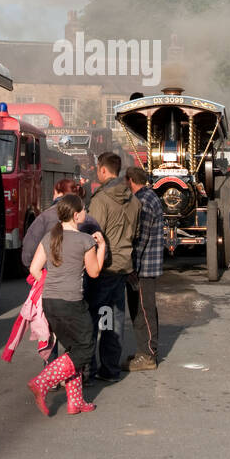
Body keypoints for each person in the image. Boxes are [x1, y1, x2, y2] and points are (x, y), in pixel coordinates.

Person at [27, 195, 106, 415]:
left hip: (50, 302)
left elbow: (34, 270)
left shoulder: (49, 237)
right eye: (84, 210)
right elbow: (94, 272)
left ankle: (75, 402)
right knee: (85, 349)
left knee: (73, 350)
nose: (86, 213)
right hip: (72, 302)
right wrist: (102, 247)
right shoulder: (85, 240)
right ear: (75, 214)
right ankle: (42, 382)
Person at [85, 152, 138, 383]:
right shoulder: (134, 200)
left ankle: (88, 369)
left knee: (91, 319)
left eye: (98, 169)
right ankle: (110, 369)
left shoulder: (101, 199)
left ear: (103, 169)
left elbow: (93, 235)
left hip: (103, 267)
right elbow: (134, 234)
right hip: (123, 266)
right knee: (113, 319)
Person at [125, 166, 164, 370]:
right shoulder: (148, 196)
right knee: (140, 309)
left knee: (143, 311)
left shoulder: (143, 200)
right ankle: (143, 350)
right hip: (145, 265)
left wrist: (131, 265)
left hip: (143, 267)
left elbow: (141, 236)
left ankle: (148, 355)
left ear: (130, 180)